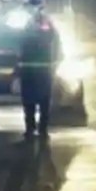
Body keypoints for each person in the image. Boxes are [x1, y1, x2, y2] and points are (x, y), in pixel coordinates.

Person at [17, 9, 57, 138]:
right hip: (43, 71)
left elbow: (19, 47)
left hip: (29, 70)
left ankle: (31, 128)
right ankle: (41, 129)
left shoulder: (26, 31)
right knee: (43, 102)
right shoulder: (48, 32)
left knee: (29, 101)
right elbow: (55, 43)